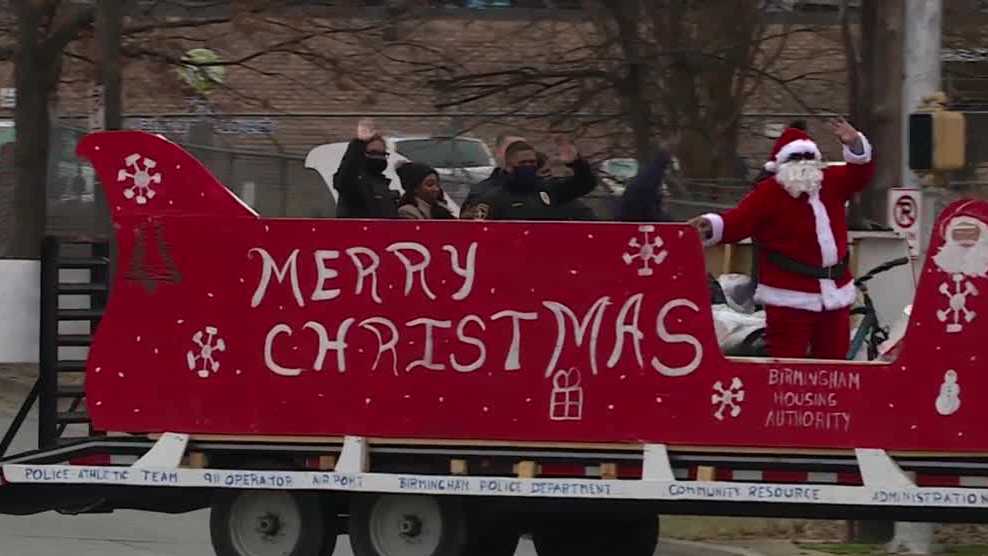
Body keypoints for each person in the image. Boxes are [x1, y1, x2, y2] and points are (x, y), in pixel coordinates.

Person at [688, 118, 875, 360]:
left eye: (809, 158)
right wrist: (709, 226)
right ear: (781, 165)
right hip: (789, 296)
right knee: (786, 364)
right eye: (796, 159)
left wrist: (855, 143)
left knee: (834, 364)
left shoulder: (831, 182)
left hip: (835, 294)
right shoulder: (769, 193)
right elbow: (737, 222)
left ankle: (831, 399)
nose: (804, 165)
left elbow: (860, 174)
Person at [466, 137, 596, 221]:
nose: (528, 166)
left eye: (532, 162)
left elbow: (585, 183)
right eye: (523, 163)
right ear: (510, 166)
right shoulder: (493, 197)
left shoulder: (549, 190)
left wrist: (576, 163)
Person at [332, 119, 399, 218]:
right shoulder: (352, 183)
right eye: (373, 152)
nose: (378, 157)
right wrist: (358, 143)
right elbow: (345, 177)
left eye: (382, 154)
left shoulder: (383, 186)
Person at [460, 133, 526, 217]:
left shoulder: (541, 190)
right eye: (512, 149)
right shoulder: (482, 192)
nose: (519, 154)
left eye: (523, 148)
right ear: (497, 153)